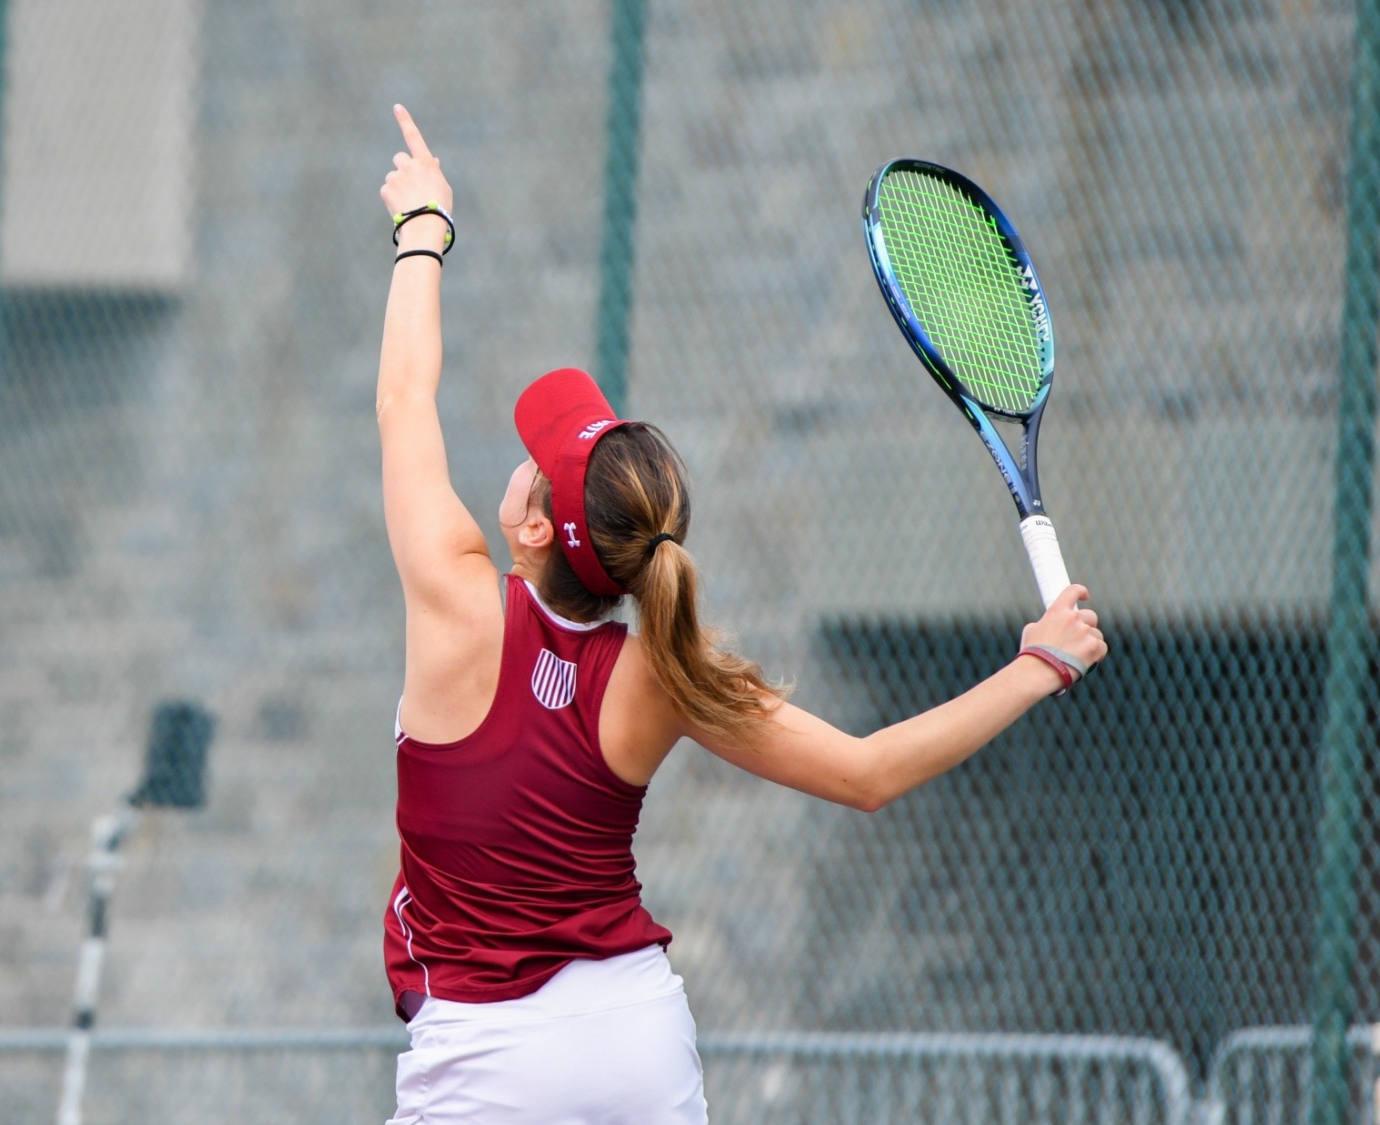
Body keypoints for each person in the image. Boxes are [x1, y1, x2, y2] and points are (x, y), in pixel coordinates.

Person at [373, 104, 1107, 1125]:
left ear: (532, 529)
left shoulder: (455, 601)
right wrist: (1041, 665)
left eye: (535, 463)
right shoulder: (661, 676)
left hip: (481, 1054)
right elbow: (866, 774)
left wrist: (422, 228)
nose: (520, 460)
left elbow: (404, 399)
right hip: (632, 1038)